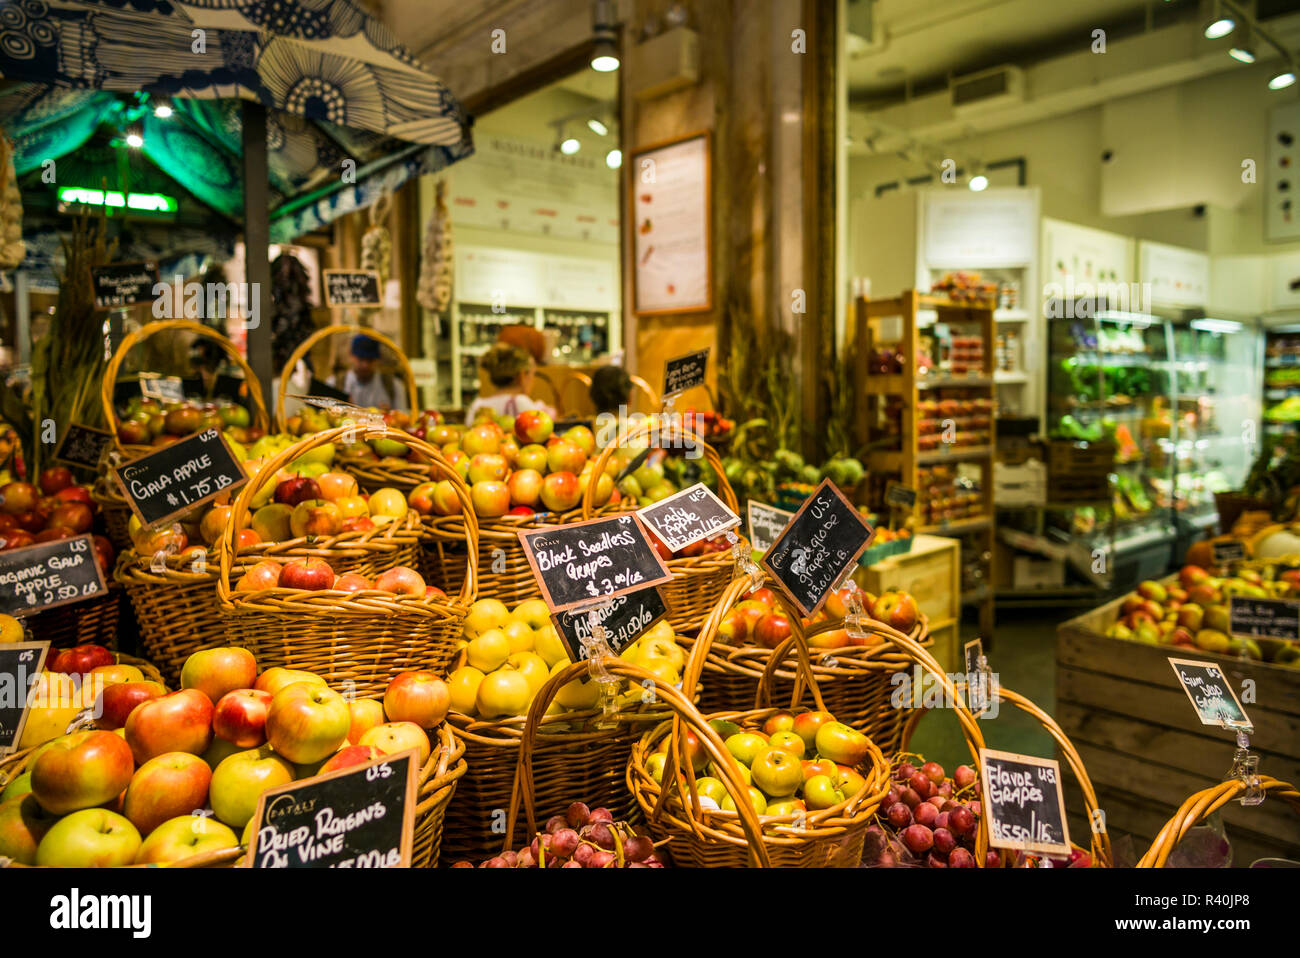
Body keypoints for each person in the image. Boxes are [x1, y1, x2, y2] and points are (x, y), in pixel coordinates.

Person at [465, 344, 556, 423]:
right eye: (533, 375)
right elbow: (541, 425)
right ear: (522, 375)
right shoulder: (519, 401)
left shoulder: (477, 404)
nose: (533, 381)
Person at [332, 335, 405, 410]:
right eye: (361, 359)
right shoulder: (333, 384)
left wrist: (389, 416)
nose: (365, 365)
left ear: (378, 359)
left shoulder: (394, 386)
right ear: (351, 355)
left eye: (370, 360)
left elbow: (404, 418)